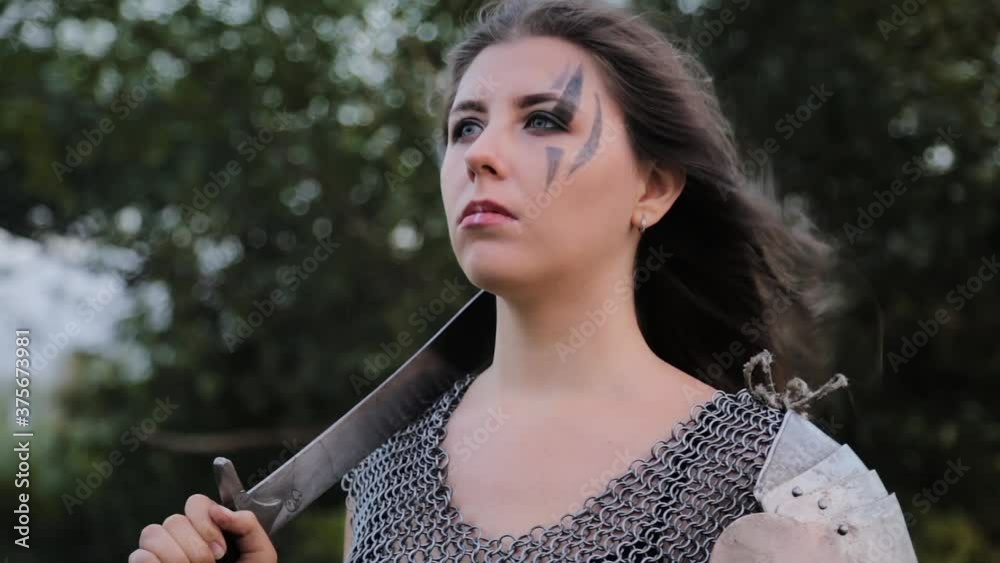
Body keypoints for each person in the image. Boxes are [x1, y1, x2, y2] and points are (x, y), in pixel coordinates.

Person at [129, 1, 917, 562]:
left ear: (654, 188)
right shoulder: (387, 470)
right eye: (464, 125)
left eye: (543, 119)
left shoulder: (793, 496)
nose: (479, 153)